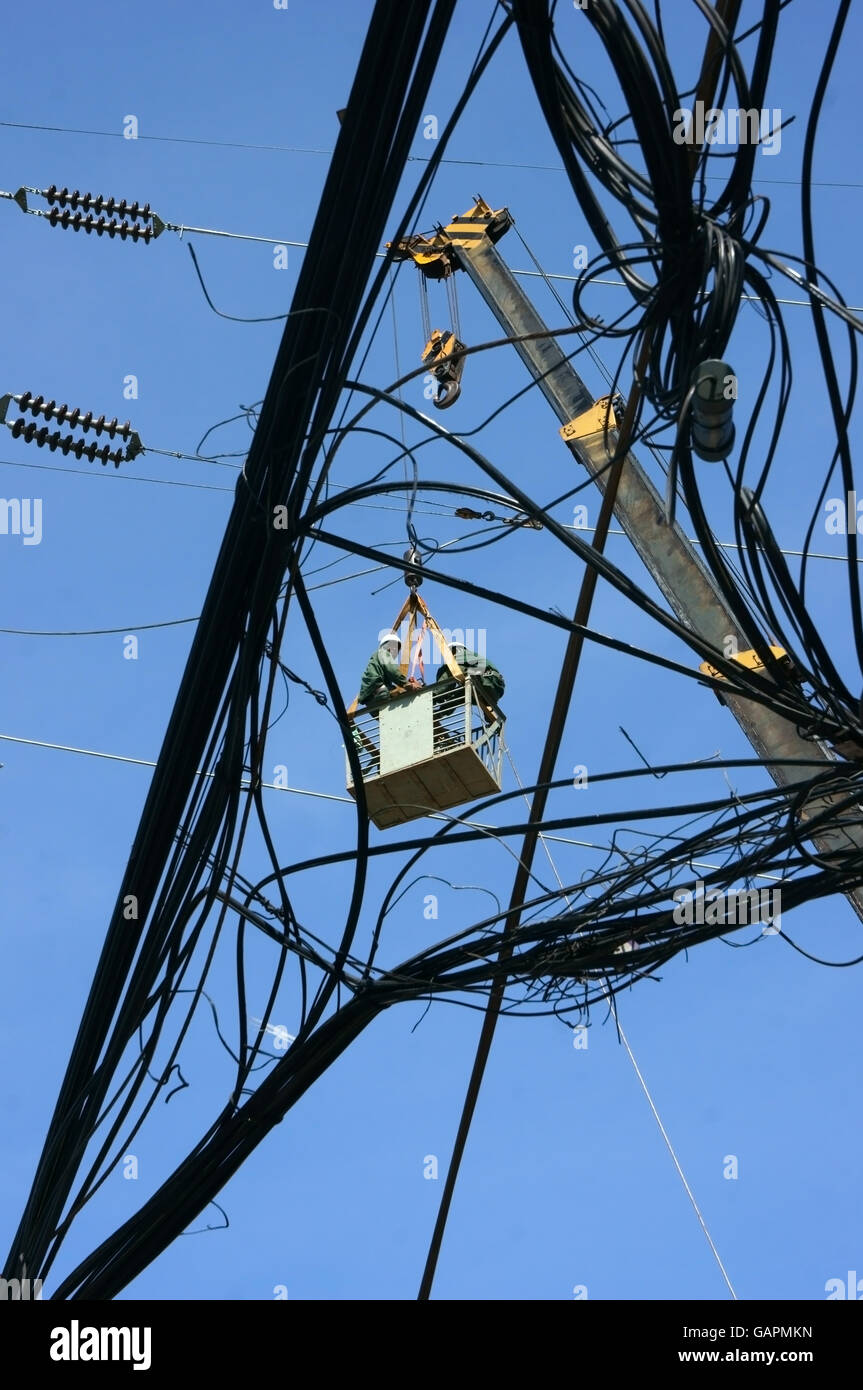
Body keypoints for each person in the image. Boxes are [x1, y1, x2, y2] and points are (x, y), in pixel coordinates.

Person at [359, 632, 422, 710]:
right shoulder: (383, 653)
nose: (396, 651)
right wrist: (407, 684)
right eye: (395, 646)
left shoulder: (376, 659)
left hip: (370, 704)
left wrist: (406, 683)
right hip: (380, 694)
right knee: (412, 698)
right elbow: (393, 671)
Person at [435, 643, 505, 707]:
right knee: (458, 696)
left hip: (486, 681)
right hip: (494, 691)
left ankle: (434, 695)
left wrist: (437, 692)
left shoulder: (464, 654)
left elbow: (445, 669)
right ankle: (439, 713)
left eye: (451, 652)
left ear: (456, 649)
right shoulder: (473, 658)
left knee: (452, 669)